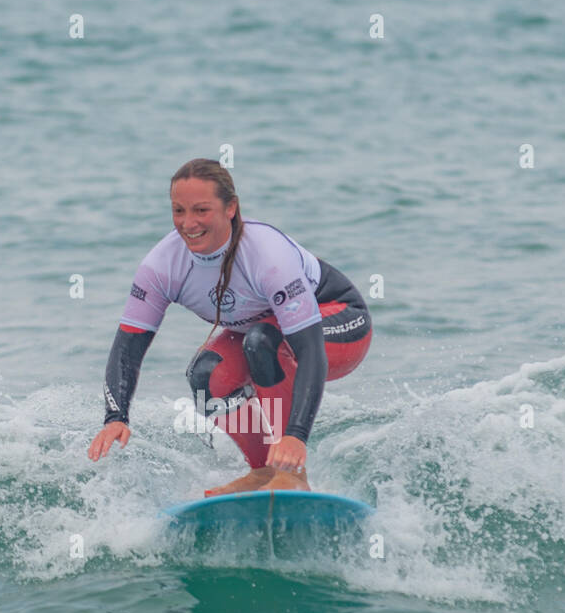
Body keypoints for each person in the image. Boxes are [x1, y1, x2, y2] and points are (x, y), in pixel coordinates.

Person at [87, 158, 372, 496]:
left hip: (339, 325)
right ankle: (263, 470)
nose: (188, 223)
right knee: (207, 375)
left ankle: (291, 473)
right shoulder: (161, 266)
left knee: (262, 341)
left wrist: (295, 435)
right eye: (179, 211)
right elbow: (128, 347)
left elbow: (309, 349)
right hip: (267, 333)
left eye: (201, 210)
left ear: (231, 208)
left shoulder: (267, 256)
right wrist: (116, 416)